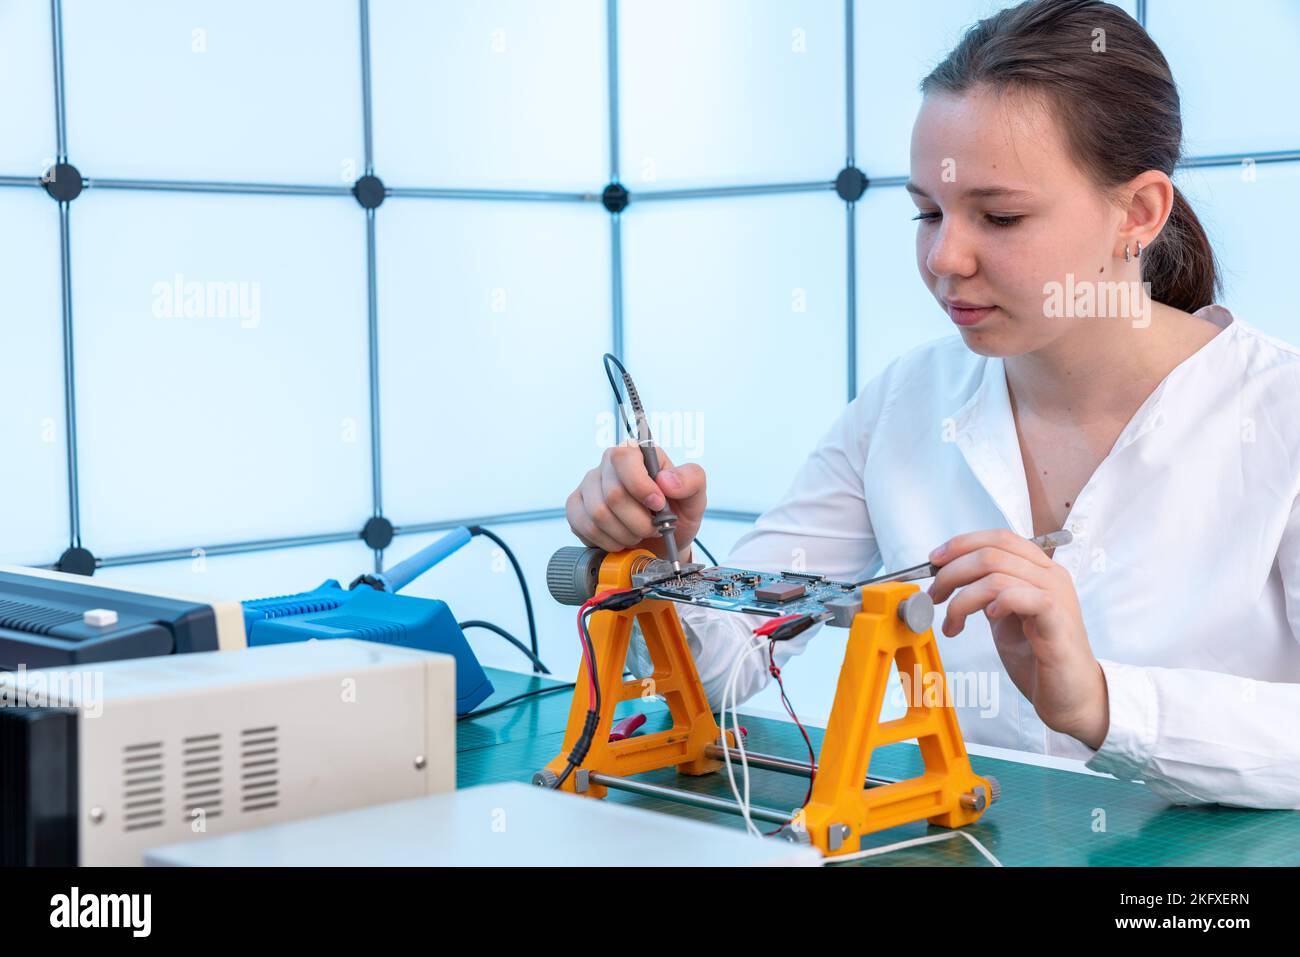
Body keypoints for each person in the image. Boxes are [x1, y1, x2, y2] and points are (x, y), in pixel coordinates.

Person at [565, 0, 1300, 809]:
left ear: (1138, 214)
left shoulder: (1279, 414)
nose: (945, 256)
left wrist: (1101, 703)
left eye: (1001, 215)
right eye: (927, 210)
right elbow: (729, 663)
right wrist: (660, 563)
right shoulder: (909, 400)